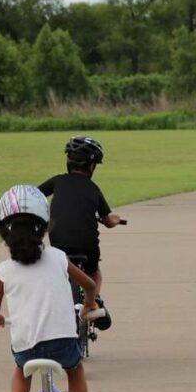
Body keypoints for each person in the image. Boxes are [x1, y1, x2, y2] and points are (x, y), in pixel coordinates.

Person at [0, 184, 100, 392]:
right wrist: (88, 305)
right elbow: (89, 285)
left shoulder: (3, 271)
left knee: (21, 370)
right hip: (63, 343)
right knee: (75, 371)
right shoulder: (58, 258)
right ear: (44, 226)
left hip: (27, 346)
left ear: (4, 231)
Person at [38, 136, 123, 330]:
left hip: (59, 241)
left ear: (69, 161)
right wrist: (116, 219)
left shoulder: (58, 181)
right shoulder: (93, 189)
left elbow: (34, 194)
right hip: (87, 244)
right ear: (92, 166)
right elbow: (108, 221)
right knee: (94, 272)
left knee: (60, 268)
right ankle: (93, 302)